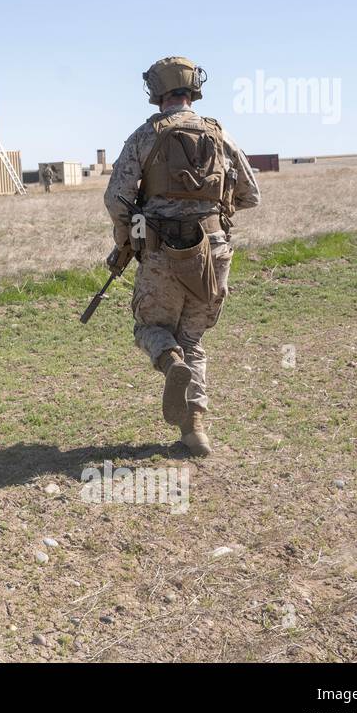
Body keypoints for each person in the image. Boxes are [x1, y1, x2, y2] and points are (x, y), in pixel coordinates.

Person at [103, 58, 260, 457]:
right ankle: (195, 430)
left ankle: (168, 360)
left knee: (149, 327)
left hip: (161, 253)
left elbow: (115, 198)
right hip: (213, 252)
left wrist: (128, 238)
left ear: (156, 93)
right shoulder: (219, 135)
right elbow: (250, 195)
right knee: (193, 338)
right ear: (194, 90)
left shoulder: (145, 135)